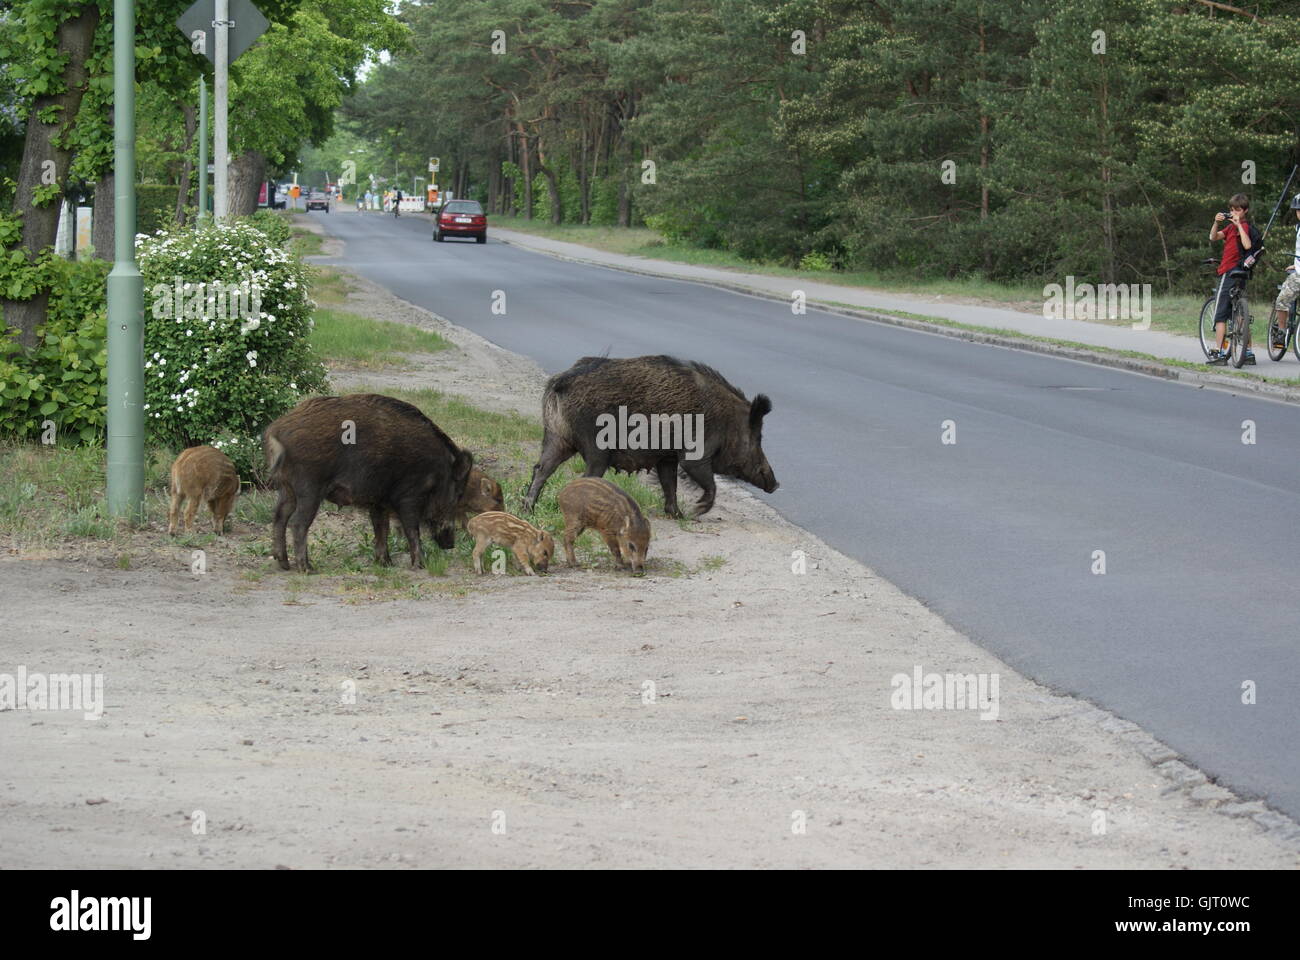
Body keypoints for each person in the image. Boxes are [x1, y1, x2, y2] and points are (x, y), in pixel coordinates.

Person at [1206, 193, 1262, 366]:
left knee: (1220, 314)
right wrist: (1216, 222)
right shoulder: (1229, 228)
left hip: (1230, 271)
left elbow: (1247, 245)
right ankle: (1248, 353)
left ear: (1245, 211)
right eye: (1231, 210)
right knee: (1240, 314)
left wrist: (1238, 225)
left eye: (1237, 210)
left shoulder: (1244, 227)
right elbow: (1213, 237)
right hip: (1239, 274)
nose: (1234, 213)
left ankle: (1220, 353)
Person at [1271, 194, 1300, 349]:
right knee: (1283, 299)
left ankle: (1281, 331)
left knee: (1281, 300)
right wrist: (1296, 264)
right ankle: (1282, 332)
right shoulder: (1298, 227)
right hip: (1298, 271)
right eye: (1298, 210)